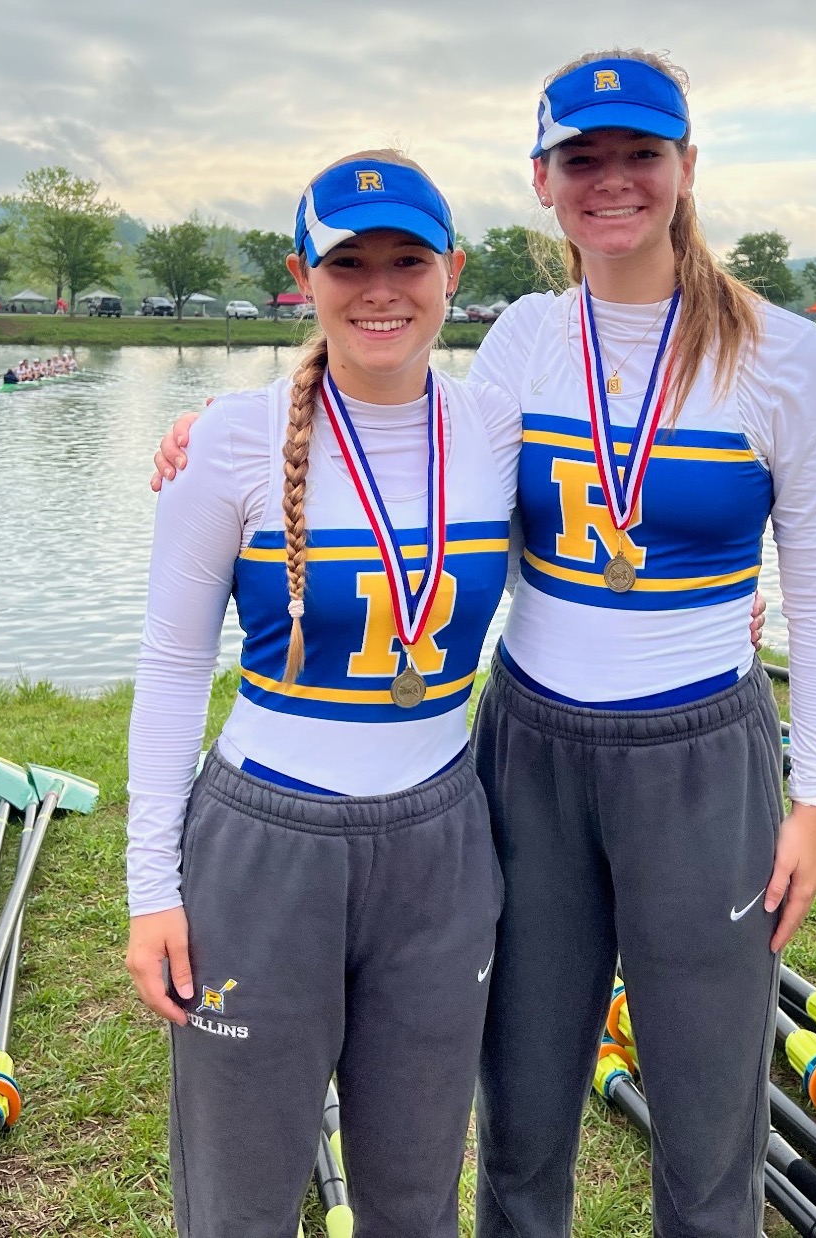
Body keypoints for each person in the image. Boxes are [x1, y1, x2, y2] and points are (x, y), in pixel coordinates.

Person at [153, 50, 816, 1238]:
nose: (614, 181)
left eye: (643, 153)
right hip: (529, 747)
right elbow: (398, 402)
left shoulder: (782, 354)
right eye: (584, 158)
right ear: (543, 178)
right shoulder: (525, 341)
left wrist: (814, 795)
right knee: (520, 1105)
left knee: (707, 1106)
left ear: (689, 167)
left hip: (703, 755)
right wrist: (226, 430)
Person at [126, 152, 520, 1237]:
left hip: (441, 841)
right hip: (266, 847)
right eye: (350, 262)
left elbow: (596, 567)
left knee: (413, 1194)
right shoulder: (228, 442)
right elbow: (168, 666)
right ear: (303, 275)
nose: (381, 287)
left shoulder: (497, 428)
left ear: (454, 271)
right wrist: (149, 886)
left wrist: (734, 619)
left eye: (409, 259)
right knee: (243, 1197)